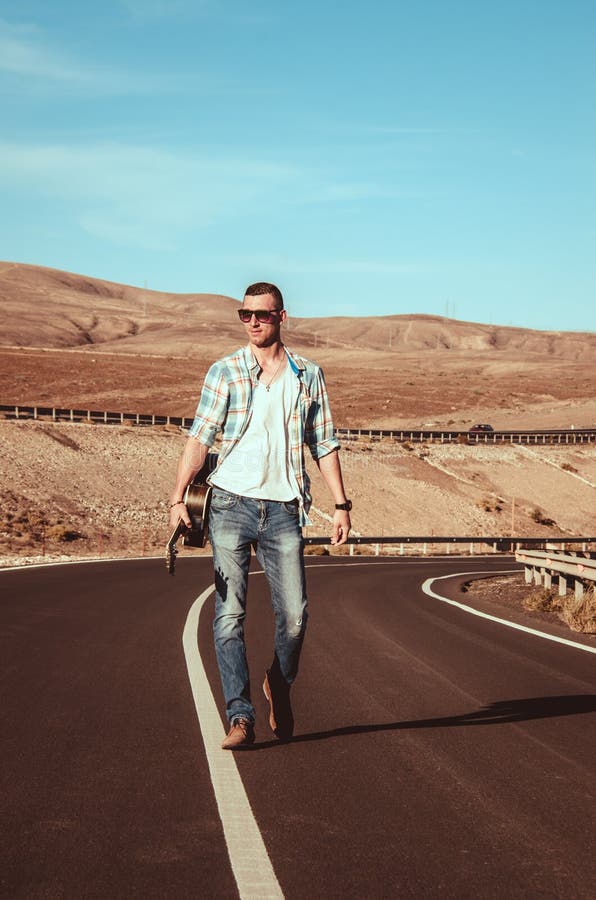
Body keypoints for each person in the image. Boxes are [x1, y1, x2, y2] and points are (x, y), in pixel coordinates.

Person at [168, 282, 351, 749]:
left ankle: (278, 681)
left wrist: (340, 505)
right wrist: (175, 499)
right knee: (229, 613)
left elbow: (324, 443)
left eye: (262, 315)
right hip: (230, 503)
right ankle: (240, 716)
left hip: (286, 508)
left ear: (281, 317)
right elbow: (199, 438)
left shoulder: (308, 375)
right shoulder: (225, 371)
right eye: (244, 314)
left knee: (295, 617)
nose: (252, 322)